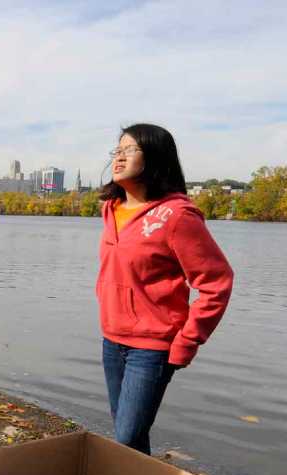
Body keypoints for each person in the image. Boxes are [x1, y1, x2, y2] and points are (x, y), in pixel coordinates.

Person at [97, 123, 233, 454]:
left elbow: (216, 282)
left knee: (127, 437)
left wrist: (188, 340)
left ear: (156, 157)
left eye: (130, 150)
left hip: (153, 346)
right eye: (117, 150)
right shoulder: (110, 210)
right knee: (128, 435)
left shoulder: (176, 215)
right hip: (112, 341)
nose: (119, 157)